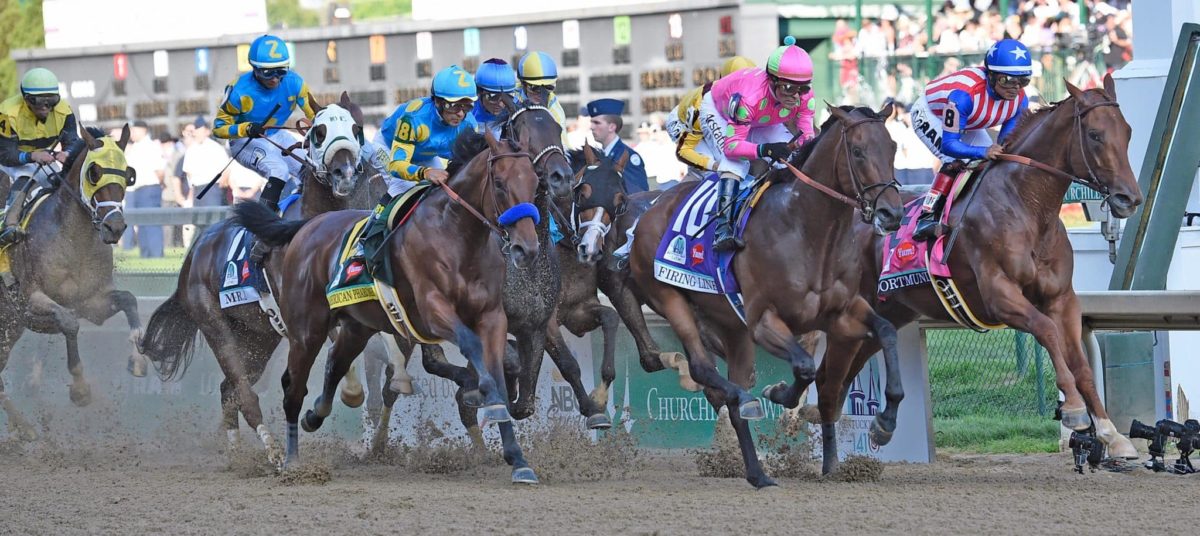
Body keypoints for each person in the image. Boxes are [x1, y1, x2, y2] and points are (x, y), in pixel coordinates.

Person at [699, 36, 816, 251]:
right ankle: (723, 228)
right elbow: (732, 147)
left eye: (803, 88)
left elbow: (806, 140)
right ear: (772, 81)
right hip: (721, 112)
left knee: (789, 160)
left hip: (764, 116)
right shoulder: (749, 97)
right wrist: (765, 149)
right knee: (735, 164)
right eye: (789, 88)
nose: (797, 96)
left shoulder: (805, 98)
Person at [908, 38, 1032, 241]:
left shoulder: (1020, 100)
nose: (1015, 88)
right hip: (931, 114)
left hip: (970, 121)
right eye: (1007, 80)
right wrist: (983, 152)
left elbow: (1004, 145)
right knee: (956, 161)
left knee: (992, 163)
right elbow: (949, 145)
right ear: (991, 76)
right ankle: (928, 216)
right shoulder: (964, 95)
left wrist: (993, 153)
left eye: (1023, 81)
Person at [358, 65, 479, 267]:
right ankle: (366, 239)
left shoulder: (468, 124)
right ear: (438, 102)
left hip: (424, 152)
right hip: (389, 147)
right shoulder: (413, 119)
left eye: (466, 107)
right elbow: (397, 165)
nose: (460, 114)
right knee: (401, 188)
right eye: (454, 106)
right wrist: (425, 172)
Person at [212, 34, 315, 214]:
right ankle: (262, 226)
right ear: (254, 69)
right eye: (268, 72)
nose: (275, 78)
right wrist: (247, 128)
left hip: (276, 134)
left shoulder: (295, 83)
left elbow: (315, 114)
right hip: (245, 141)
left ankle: (301, 211)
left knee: (312, 170)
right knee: (279, 170)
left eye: (281, 71)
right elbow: (218, 129)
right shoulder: (239, 91)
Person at [0, 67, 82, 246]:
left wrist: (67, 153)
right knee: (26, 176)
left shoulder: (64, 110)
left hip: (43, 158)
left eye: (51, 100)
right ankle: (9, 225)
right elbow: (5, 154)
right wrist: (31, 156)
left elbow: (72, 141)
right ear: (26, 98)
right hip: (10, 161)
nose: (45, 107)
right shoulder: (8, 112)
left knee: (64, 183)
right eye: (38, 101)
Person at [665, 56, 755, 179]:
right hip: (684, 124)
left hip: (708, 116)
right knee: (716, 170)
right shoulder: (701, 106)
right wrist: (713, 165)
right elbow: (684, 151)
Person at [123, 121, 166, 258]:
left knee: (152, 222)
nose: (132, 134)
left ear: (143, 130)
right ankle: (146, 253)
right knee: (141, 223)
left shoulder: (151, 146)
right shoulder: (134, 147)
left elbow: (160, 170)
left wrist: (155, 184)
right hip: (136, 189)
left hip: (149, 187)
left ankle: (156, 253)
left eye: (134, 130)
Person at [587, 98, 647, 193]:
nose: (592, 127)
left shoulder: (628, 157)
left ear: (612, 127)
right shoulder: (599, 155)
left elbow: (638, 196)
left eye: (597, 123)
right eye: (592, 122)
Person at [515, 51, 571, 146]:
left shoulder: (554, 108)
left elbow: (564, 145)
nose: (541, 94)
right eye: (534, 87)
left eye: (548, 87)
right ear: (523, 84)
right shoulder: (511, 96)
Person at [472, 58, 519, 139]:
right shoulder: (469, 111)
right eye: (493, 96)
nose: (500, 104)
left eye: (508, 96)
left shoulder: (517, 107)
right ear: (479, 93)